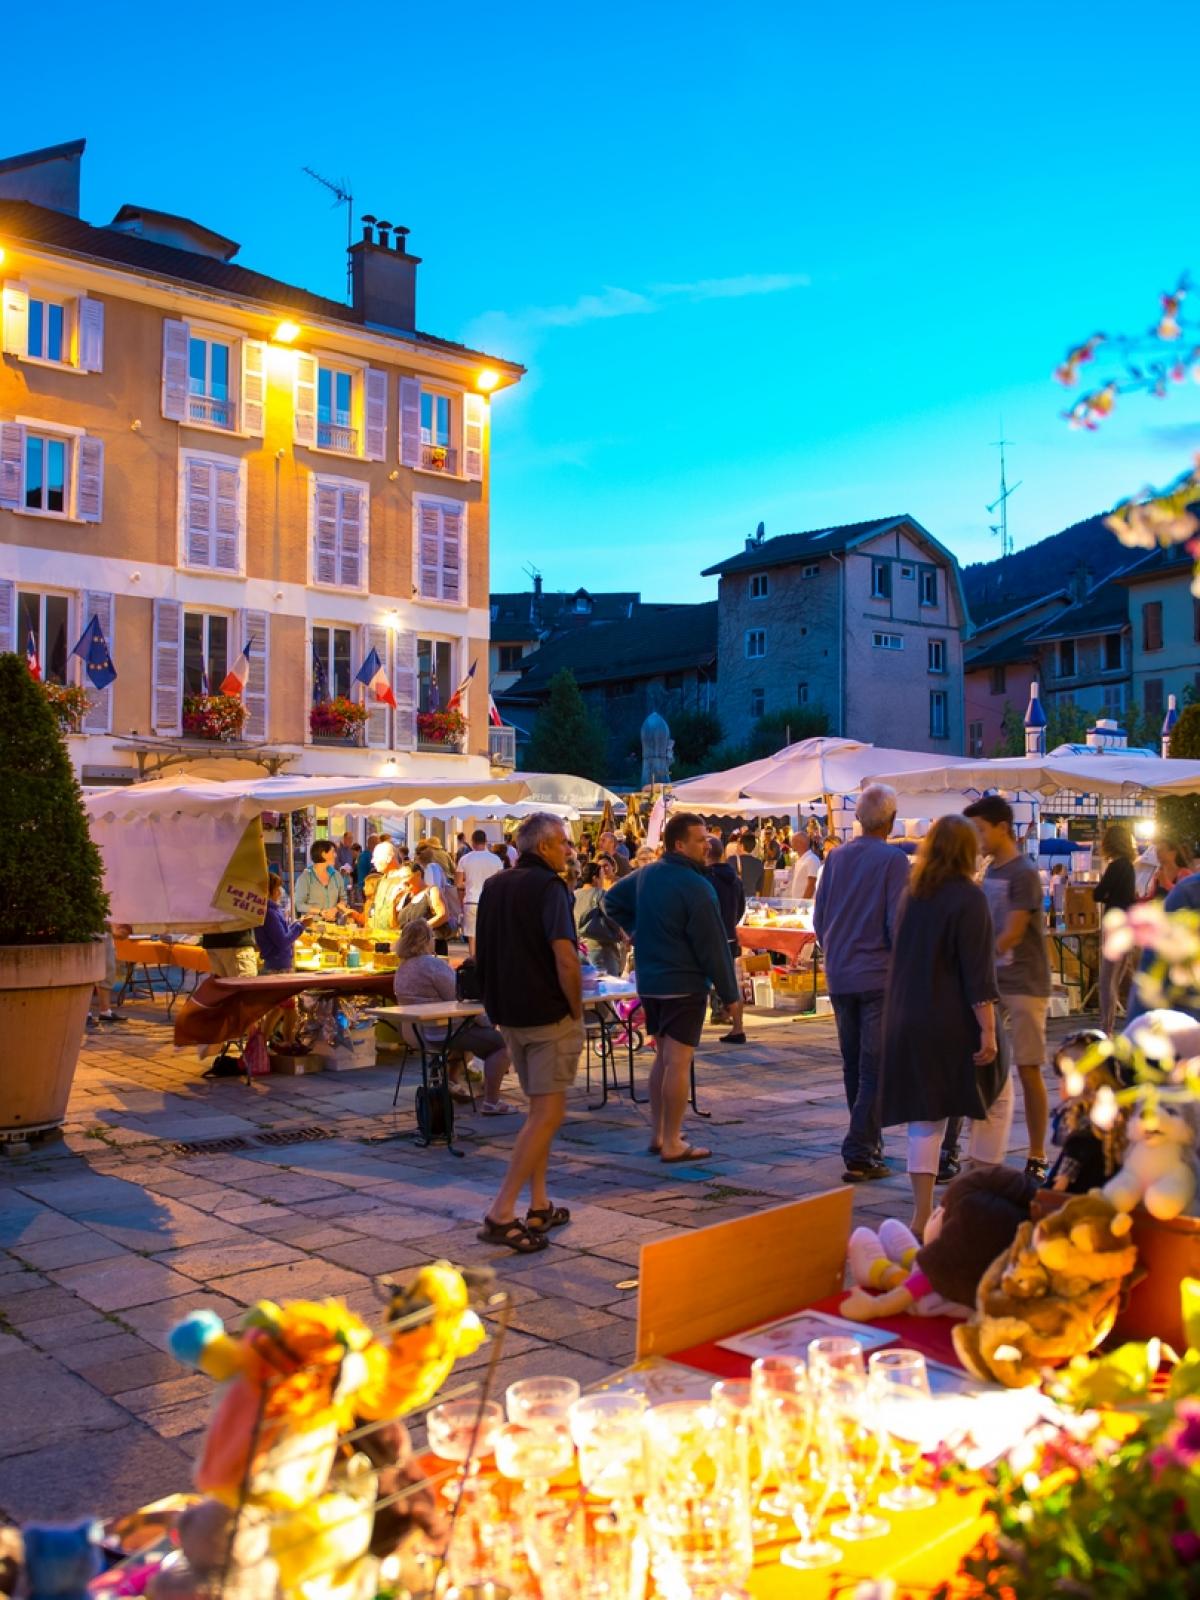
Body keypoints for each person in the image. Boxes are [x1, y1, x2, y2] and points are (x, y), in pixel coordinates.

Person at [880, 814, 1011, 1236]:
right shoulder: (968, 898)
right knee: (995, 1100)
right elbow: (978, 973)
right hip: (953, 1021)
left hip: (909, 1017)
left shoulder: (913, 895)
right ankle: (974, 1201)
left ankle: (921, 1214)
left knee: (926, 1115)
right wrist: (988, 1030)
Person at [475, 812, 585, 1254]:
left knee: (539, 1111)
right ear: (543, 848)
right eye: (563, 843)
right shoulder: (550, 888)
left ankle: (539, 1203)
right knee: (548, 1113)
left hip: (510, 1012)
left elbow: (483, 948)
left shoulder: (496, 884)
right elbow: (565, 956)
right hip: (546, 1013)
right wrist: (575, 1007)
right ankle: (502, 1212)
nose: (569, 850)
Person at [605, 811, 739, 1162]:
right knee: (678, 1062)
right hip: (683, 982)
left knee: (663, 1059)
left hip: (651, 980)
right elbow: (713, 946)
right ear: (680, 844)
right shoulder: (696, 886)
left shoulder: (647, 874)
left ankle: (659, 1134)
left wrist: (634, 929)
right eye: (700, 839)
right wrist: (731, 996)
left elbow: (610, 902)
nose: (707, 843)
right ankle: (673, 1142)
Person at [813, 784, 910, 1183]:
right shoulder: (893, 860)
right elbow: (896, 922)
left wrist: (836, 949)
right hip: (876, 974)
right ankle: (859, 1148)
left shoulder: (835, 858)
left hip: (840, 972)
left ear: (858, 820)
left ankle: (867, 1147)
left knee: (854, 1064)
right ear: (890, 820)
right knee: (874, 1067)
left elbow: (819, 920)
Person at [964, 795, 1054, 1181]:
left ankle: (1037, 1153)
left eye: (981, 830)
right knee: (985, 1065)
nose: (978, 838)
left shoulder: (1023, 872)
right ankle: (983, 1150)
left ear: (1002, 828)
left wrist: (976, 959)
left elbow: (1013, 931)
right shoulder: (990, 871)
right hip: (994, 983)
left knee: (1028, 1068)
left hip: (1024, 984)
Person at [392, 919, 517, 1114]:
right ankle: (491, 1101)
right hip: (441, 1031)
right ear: (426, 940)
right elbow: (460, 999)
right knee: (503, 1045)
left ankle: (451, 1081)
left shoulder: (402, 969)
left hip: (414, 1032)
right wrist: (487, 1021)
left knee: (469, 1036)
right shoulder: (432, 965)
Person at [1094, 823, 1138, 1032]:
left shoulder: (1115, 866)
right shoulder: (1129, 866)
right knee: (1126, 976)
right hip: (1128, 924)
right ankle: (1137, 1019)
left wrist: (1108, 896)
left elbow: (1097, 894)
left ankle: (1106, 1028)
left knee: (1108, 980)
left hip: (1114, 925)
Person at [704, 834, 747, 1043]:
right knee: (729, 983)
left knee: (699, 982)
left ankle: (701, 1023)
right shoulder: (734, 879)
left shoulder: (705, 879)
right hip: (729, 936)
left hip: (709, 936)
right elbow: (741, 909)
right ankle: (737, 1027)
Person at [574, 857, 625, 976]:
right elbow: (612, 917)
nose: (603, 879)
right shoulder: (600, 893)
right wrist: (622, 932)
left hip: (581, 948)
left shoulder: (575, 894)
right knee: (609, 986)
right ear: (595, 878)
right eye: (601, 876)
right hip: (601, 949)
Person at [457, 828, 503, 955]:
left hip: (471, 900)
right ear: (486, 841)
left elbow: (458, 883)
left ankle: (473, 964)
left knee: (472, 937)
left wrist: (468, 883)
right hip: (491, 901)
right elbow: (500, 883)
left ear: (472, 842)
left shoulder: (465, 859)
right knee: (489, 935)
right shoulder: (496, 860)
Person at [255, 874, 305, 974]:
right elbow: (283, 941)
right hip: (277, 969)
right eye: (277, 888)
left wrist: (297, 924)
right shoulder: (269, 913)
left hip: (278, 965)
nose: (280, 892)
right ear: (268, 891)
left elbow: (282, 934)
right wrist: (300, 926)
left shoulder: (272, 910)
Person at [396, 863, 450, 953]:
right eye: (400, 878)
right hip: (409, 948)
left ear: (418, 874)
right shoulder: (405, 897)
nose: (403, 881)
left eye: (406, 876)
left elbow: (443, 915)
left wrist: (418, 929)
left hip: (429, 947)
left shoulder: (432, 891)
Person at [294, 840, 348, 921]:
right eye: (333, 852)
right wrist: (320, 912)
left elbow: (343, 899)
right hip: (311, 927)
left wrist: (335, 909)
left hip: (333, 926)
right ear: (324, 854)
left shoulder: (336, 876)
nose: (336, 855)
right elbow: (299, 905)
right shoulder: (305, 877)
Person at [1150, 833, 1194, 899]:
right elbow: (1152, 898)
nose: (1158, 853)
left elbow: (1187, 898)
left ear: (1173, 853)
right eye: (1157, 850)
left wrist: (1166, 883)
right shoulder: (1157, 875)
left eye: (1161, 850)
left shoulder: (1185, 873)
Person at [788, 834, 822, 899]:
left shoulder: (812, 859)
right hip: (797, 903)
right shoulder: (801, 859)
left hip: (805, 905)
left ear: (800, 843)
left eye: (793, 842)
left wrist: (804, 904)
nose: (791, 844)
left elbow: (812, 884)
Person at [732, 832, 765, 898]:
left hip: (736, 900)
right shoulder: (759, 863)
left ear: (742, 846)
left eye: (738, 844)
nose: (736, 846)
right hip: (751, 901)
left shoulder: (732, 860)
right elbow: (758, 889)